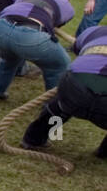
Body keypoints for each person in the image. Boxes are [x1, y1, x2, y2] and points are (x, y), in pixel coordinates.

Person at [21, 23, 107, 160]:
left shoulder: (96, 31)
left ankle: (33, 140)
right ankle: (104, 153)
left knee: (59, 106)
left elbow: (77, 49)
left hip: (75, 86)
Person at [0, 0, 75, 100]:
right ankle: (54, 105)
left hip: (1, 28)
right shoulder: (66, 5)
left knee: (8, 59)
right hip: (29, 34)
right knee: (60, 64)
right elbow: (55, 25)